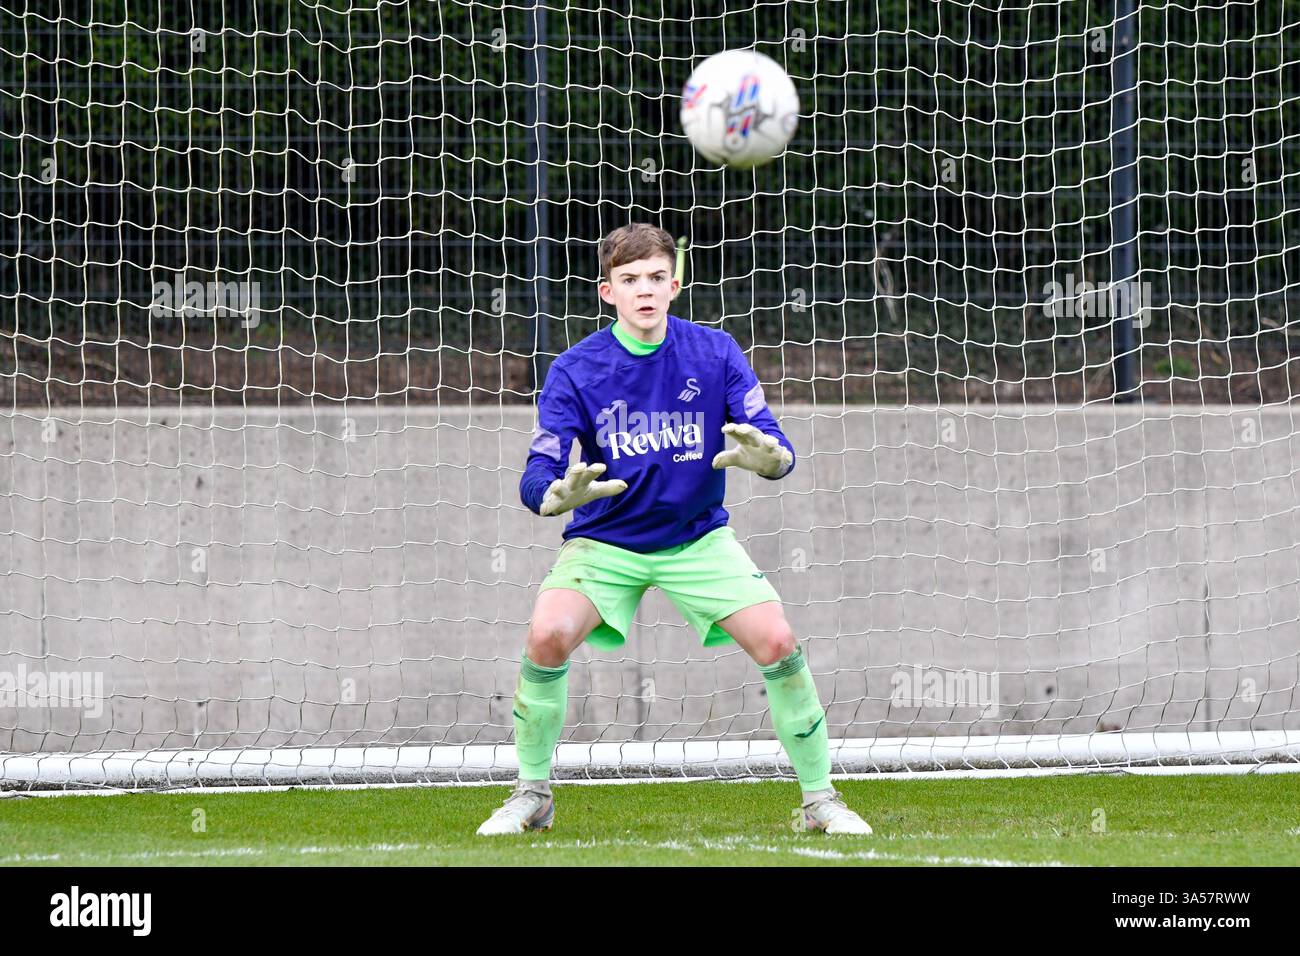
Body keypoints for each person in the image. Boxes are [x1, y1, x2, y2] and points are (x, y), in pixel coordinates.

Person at [477, 223, 871, 836]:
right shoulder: (575, 369)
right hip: (605, 542)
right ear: (606, 291)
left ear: (676, 284)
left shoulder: (715, 353)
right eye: (630, 280)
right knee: (547, 635)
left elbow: (773, 443)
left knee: (779, 642)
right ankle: (533, 793)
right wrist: (553, 495)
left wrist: (770, 460)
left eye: (656, 278)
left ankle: (820, 799)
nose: (645, 290)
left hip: (698, 538)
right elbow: (541, 467)